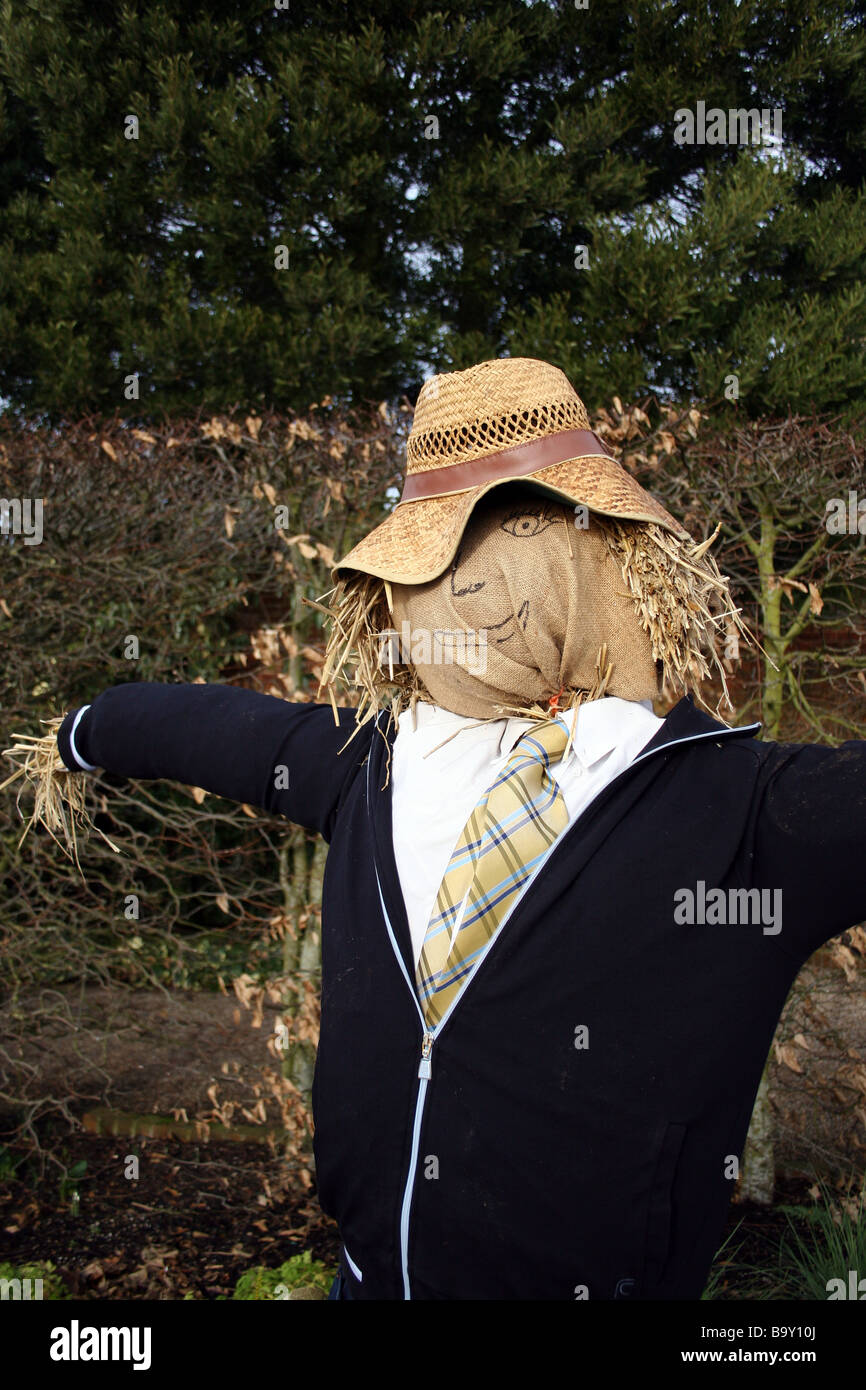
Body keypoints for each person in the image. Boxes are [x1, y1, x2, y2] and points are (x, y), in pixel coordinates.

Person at [35, 358, 866, 1298]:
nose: (463, 587)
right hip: (367, 1278)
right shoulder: (367, 761)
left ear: (613, 553)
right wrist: (76, 737)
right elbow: (211, 729)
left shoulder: (751, 813)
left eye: (512, 534)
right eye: (434, 562)